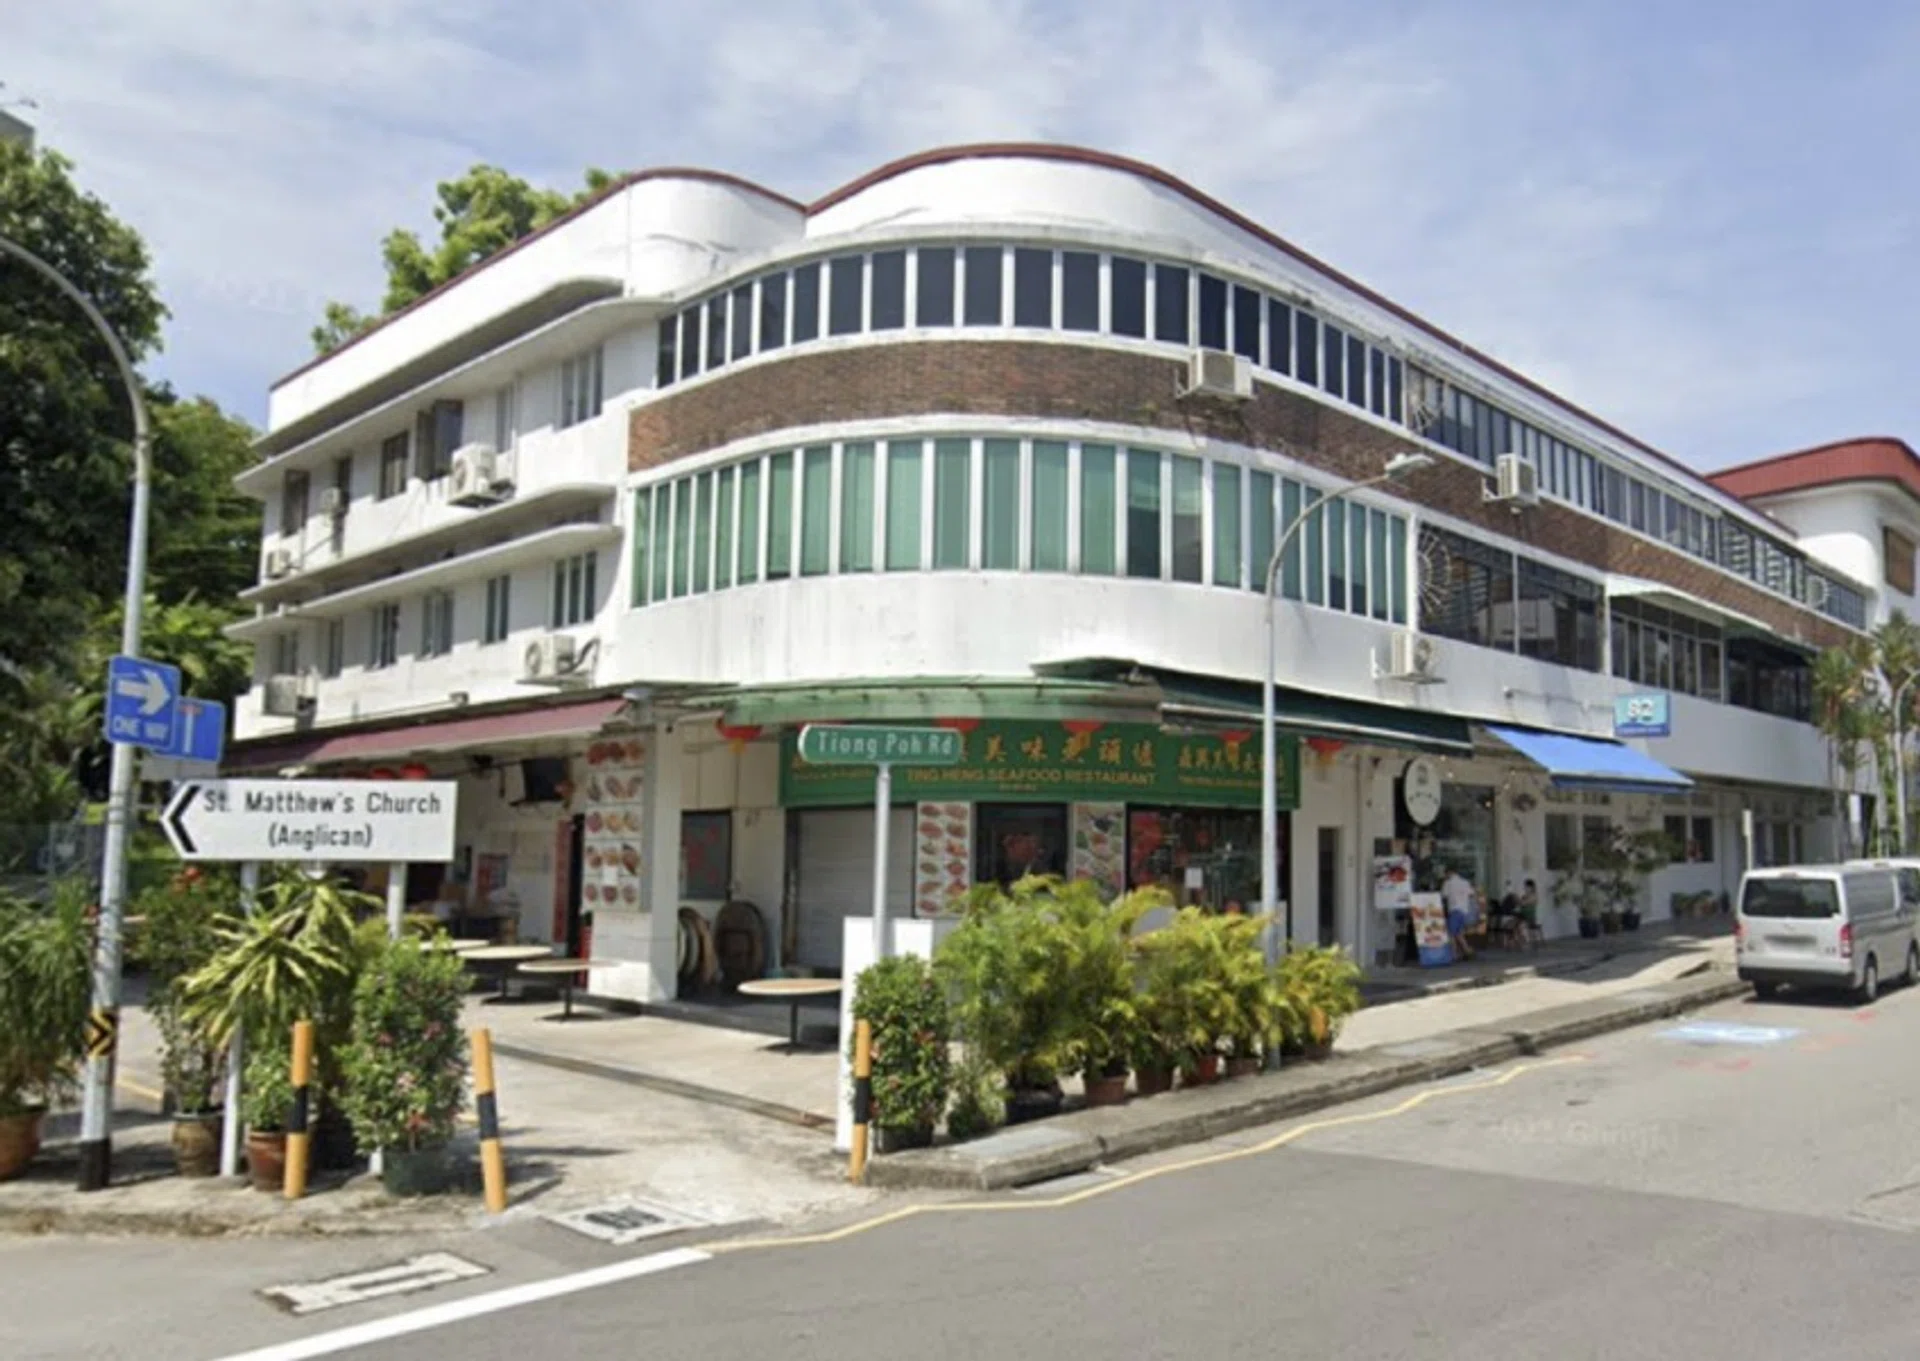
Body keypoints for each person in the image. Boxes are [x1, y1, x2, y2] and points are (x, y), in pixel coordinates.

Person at [1442, 865, 1480, 959]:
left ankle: (1454, 954)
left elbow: (1444, 895)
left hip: (1454, 910)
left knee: (1451, 933)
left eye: (1446, 874)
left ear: (1449, 873)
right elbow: (1472, 893)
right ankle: (1467, 951)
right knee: (1458, 933)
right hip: (1463, 910)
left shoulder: (1448, 883)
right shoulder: (1465, 882)